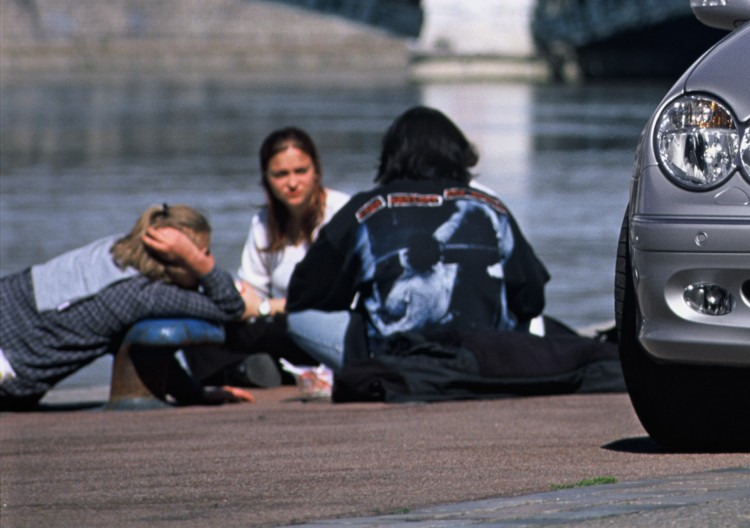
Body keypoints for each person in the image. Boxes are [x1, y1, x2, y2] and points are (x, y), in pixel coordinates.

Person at [286, 106, 549, 372]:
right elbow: (532, 297)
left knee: (297, 319)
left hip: (397, 363)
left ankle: (369, 368)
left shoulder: (367, 208)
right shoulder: (491, 207)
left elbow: (304, 295)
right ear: (458, 154)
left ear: (391, 156)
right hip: (483, 359)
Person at [0, 204, 245, 410]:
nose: (210, 261)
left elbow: (144, 351)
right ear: (177, 259)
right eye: (204, 253)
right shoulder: (145, 293)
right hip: (8, 378)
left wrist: (194, 394)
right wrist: (199, 264)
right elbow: (231, 308)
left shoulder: (110, 250)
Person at [238, 126, 350, 318]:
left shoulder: (343, 212)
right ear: (266, 178)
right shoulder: (262, 223)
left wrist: (269, 307)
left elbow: (341, 295)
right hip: (285, 325)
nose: (292, 183)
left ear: (316, 171)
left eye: (301, 171)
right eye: (281, 174)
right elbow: (250, 292)